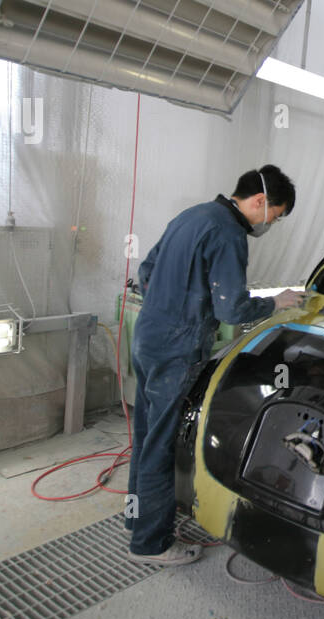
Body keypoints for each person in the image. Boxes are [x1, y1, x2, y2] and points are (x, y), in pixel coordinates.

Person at [124, 165, 303, 565]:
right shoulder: (229, 233)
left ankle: (137, 518)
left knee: (146, 432)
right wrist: (277, 303)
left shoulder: (192, 215)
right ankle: (151, 543)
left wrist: (175, 303)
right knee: (162, 443)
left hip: (149, 337)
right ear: (260, 202)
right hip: (176, 349)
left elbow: (147, 271)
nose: (268, 224)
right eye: (274, 216)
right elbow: (231, 308)